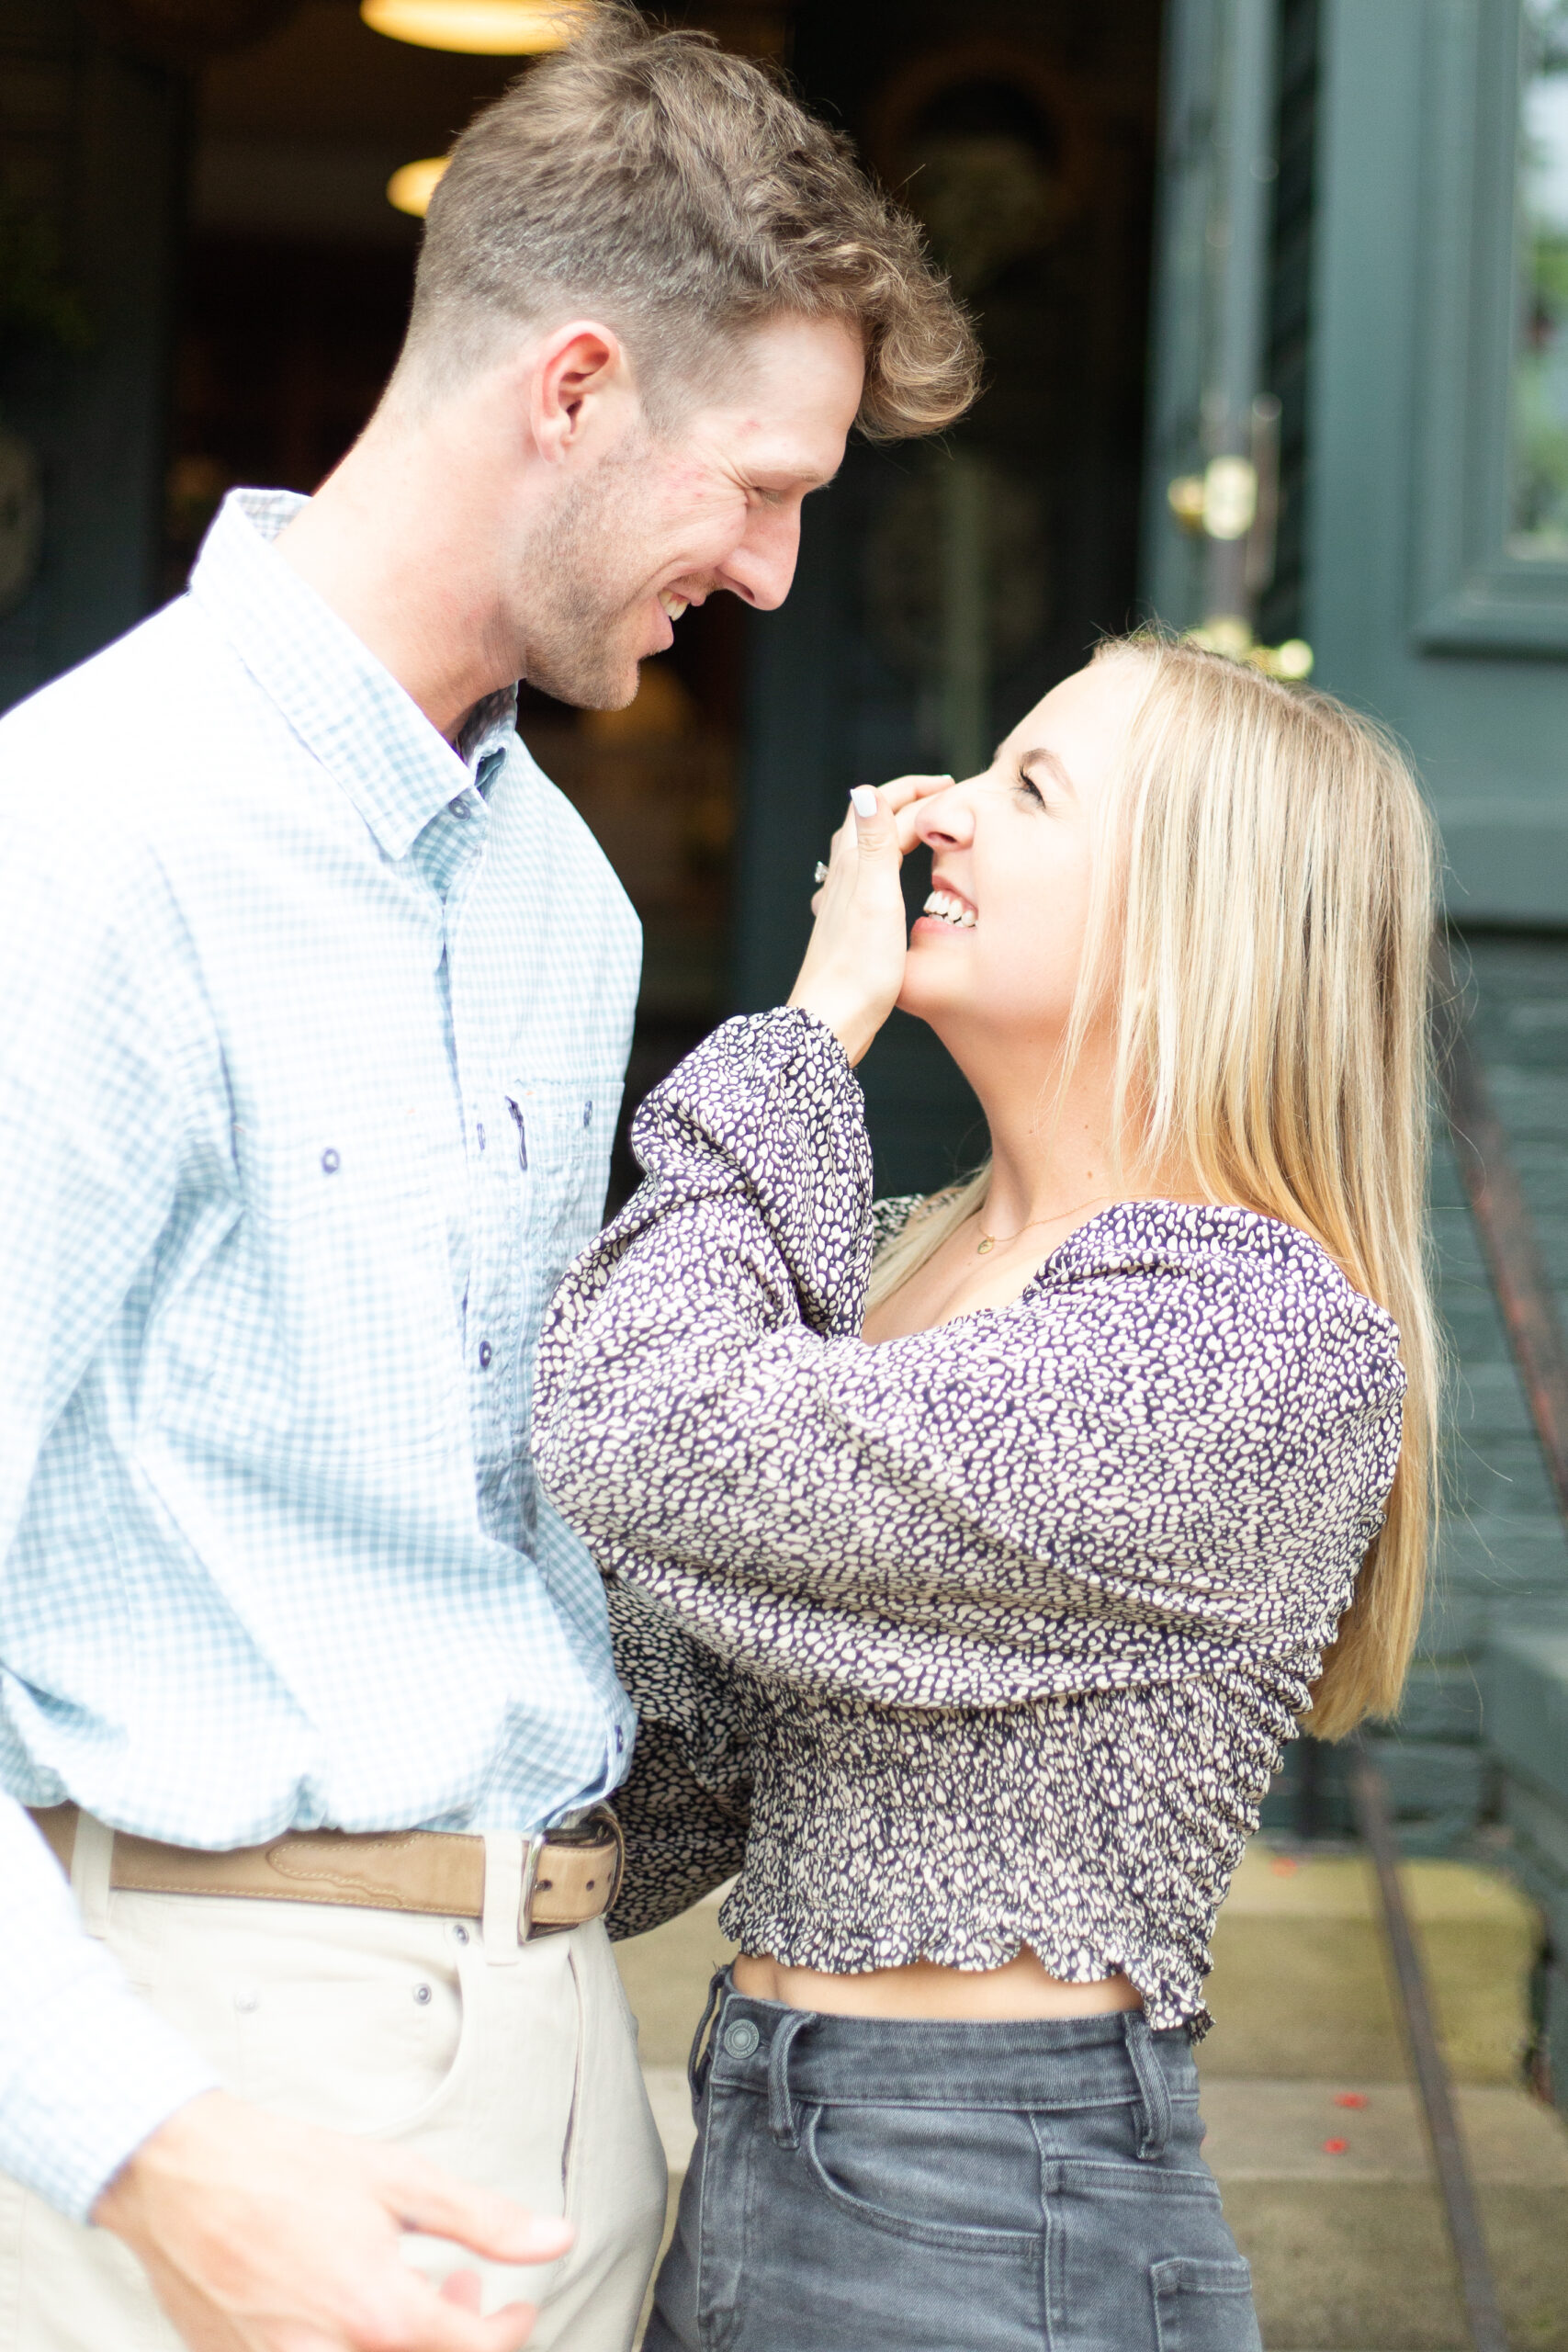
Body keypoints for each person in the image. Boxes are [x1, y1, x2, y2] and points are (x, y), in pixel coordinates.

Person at [0, 10, 977, 2349]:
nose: (769, 573)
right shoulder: (87, 842)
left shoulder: (568, 905)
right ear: (566, 390)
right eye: (755, 483)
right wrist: (155, 2145)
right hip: (212, 2103)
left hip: (567, 2087)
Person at [532, 634, 1440, 2352]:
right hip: (757, 2144)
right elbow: (701, 1761)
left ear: (1193, 926)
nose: (941, 810)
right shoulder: (906, 1267)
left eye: (1033, 788)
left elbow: (642, 1424)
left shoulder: (1247, 1336)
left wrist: (811, 1030)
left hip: (990, 2202)